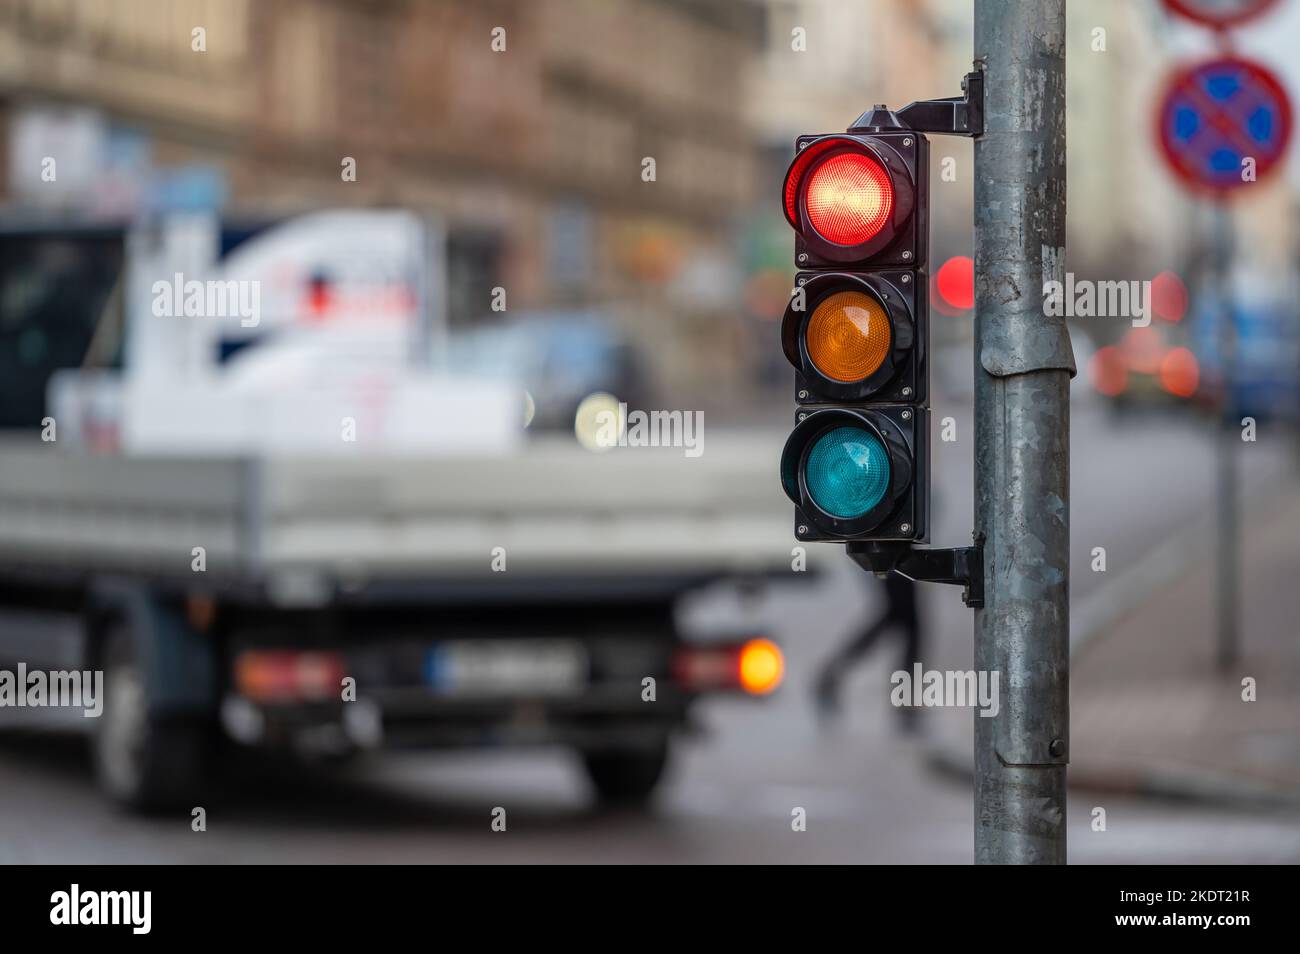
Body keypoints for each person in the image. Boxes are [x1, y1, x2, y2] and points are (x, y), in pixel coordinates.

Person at [814, 571, 922, 729]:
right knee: (905, 617)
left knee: (901, 616)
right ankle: (905, 701)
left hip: (893, 550)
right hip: (892, 550)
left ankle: (830, 675)